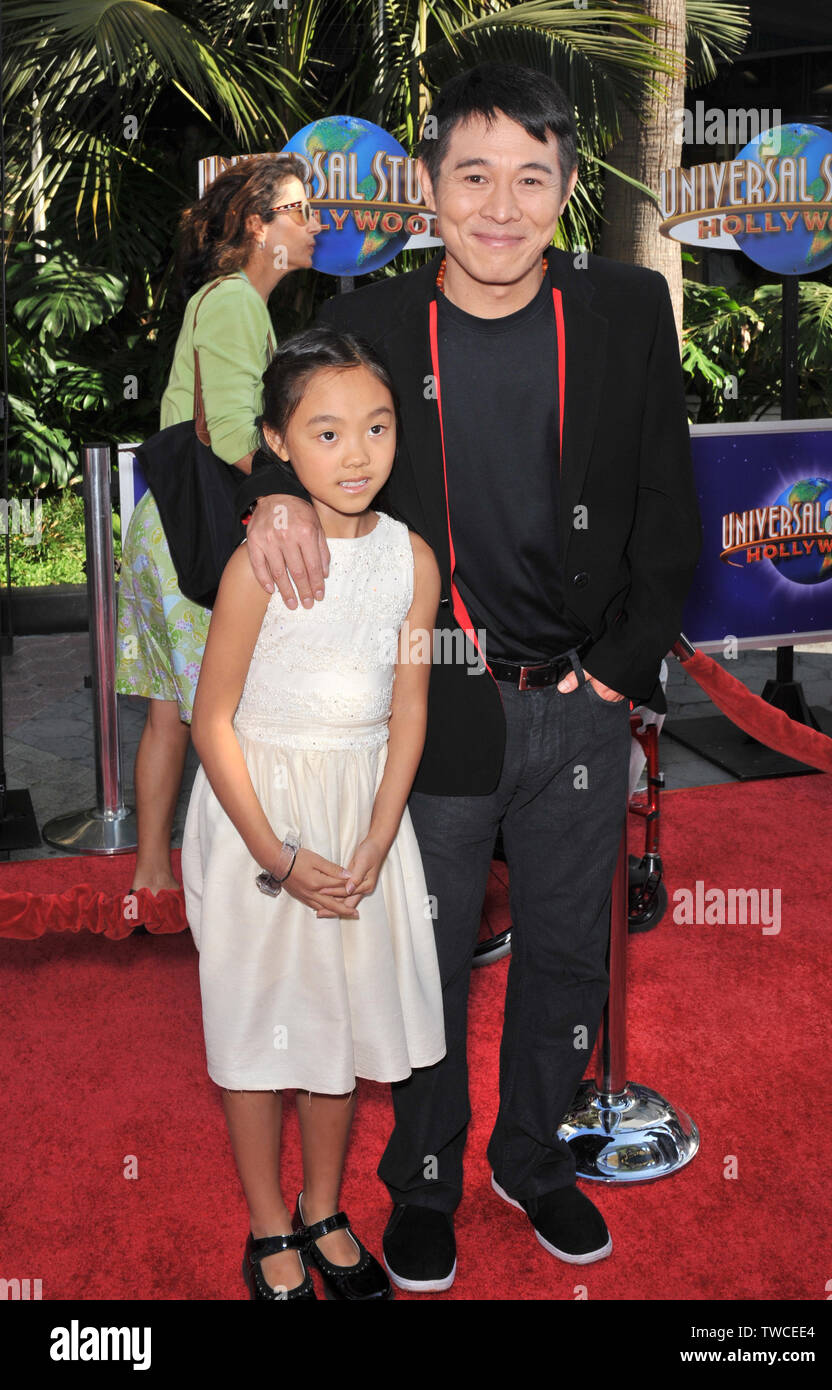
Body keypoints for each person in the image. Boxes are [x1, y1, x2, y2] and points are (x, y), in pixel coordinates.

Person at [234, 62, 702, 1292]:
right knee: (424, 961)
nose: (502, 206)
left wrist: (612, 679)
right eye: (474, 175)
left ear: (563, 191)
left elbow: (669, 516)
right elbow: (279, 431)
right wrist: (269, 500)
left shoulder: (625, 312)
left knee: (563, 955)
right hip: (431, 705)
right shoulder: (376, 322)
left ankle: (536, 1158)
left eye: (531, 178)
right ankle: (425, 1176)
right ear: (430, 189)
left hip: (582, 706)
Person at [180, 327, 446, 1300]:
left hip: (364, 815)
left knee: (334, 1029)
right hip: (264, 816)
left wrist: (380, 833)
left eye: (376, 426)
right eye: (327, 432)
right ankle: (266, 1225)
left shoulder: (412, 561)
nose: (359, 451)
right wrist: (276, 854)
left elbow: (410, 704)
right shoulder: (259, 560)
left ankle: (326, 1205)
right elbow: (211, 719)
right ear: (279, 443)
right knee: (259, 1031)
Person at [115, 154, 322, 901]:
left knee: (173, 714)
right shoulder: (236, 300)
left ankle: (151, 882)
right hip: (196, 531)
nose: (315, 225)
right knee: (221, 716)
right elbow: (234, 434)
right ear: (256, 225)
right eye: (298, 211)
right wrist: (301, 493)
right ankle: (236, 881)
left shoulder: (227, 299)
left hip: (165, 526)